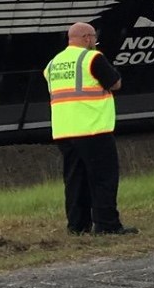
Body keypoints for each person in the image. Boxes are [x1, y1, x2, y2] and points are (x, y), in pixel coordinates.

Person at [45, 22, 133, 235]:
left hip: (65, 131)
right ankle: (106, 225)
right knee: (103, 179)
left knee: (75, 180)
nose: (95, 42)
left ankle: (77, 226)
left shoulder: (53, 64)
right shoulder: (92, 58)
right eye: (94, 38)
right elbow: (115, 83)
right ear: (87, 38)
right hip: (93, 129)